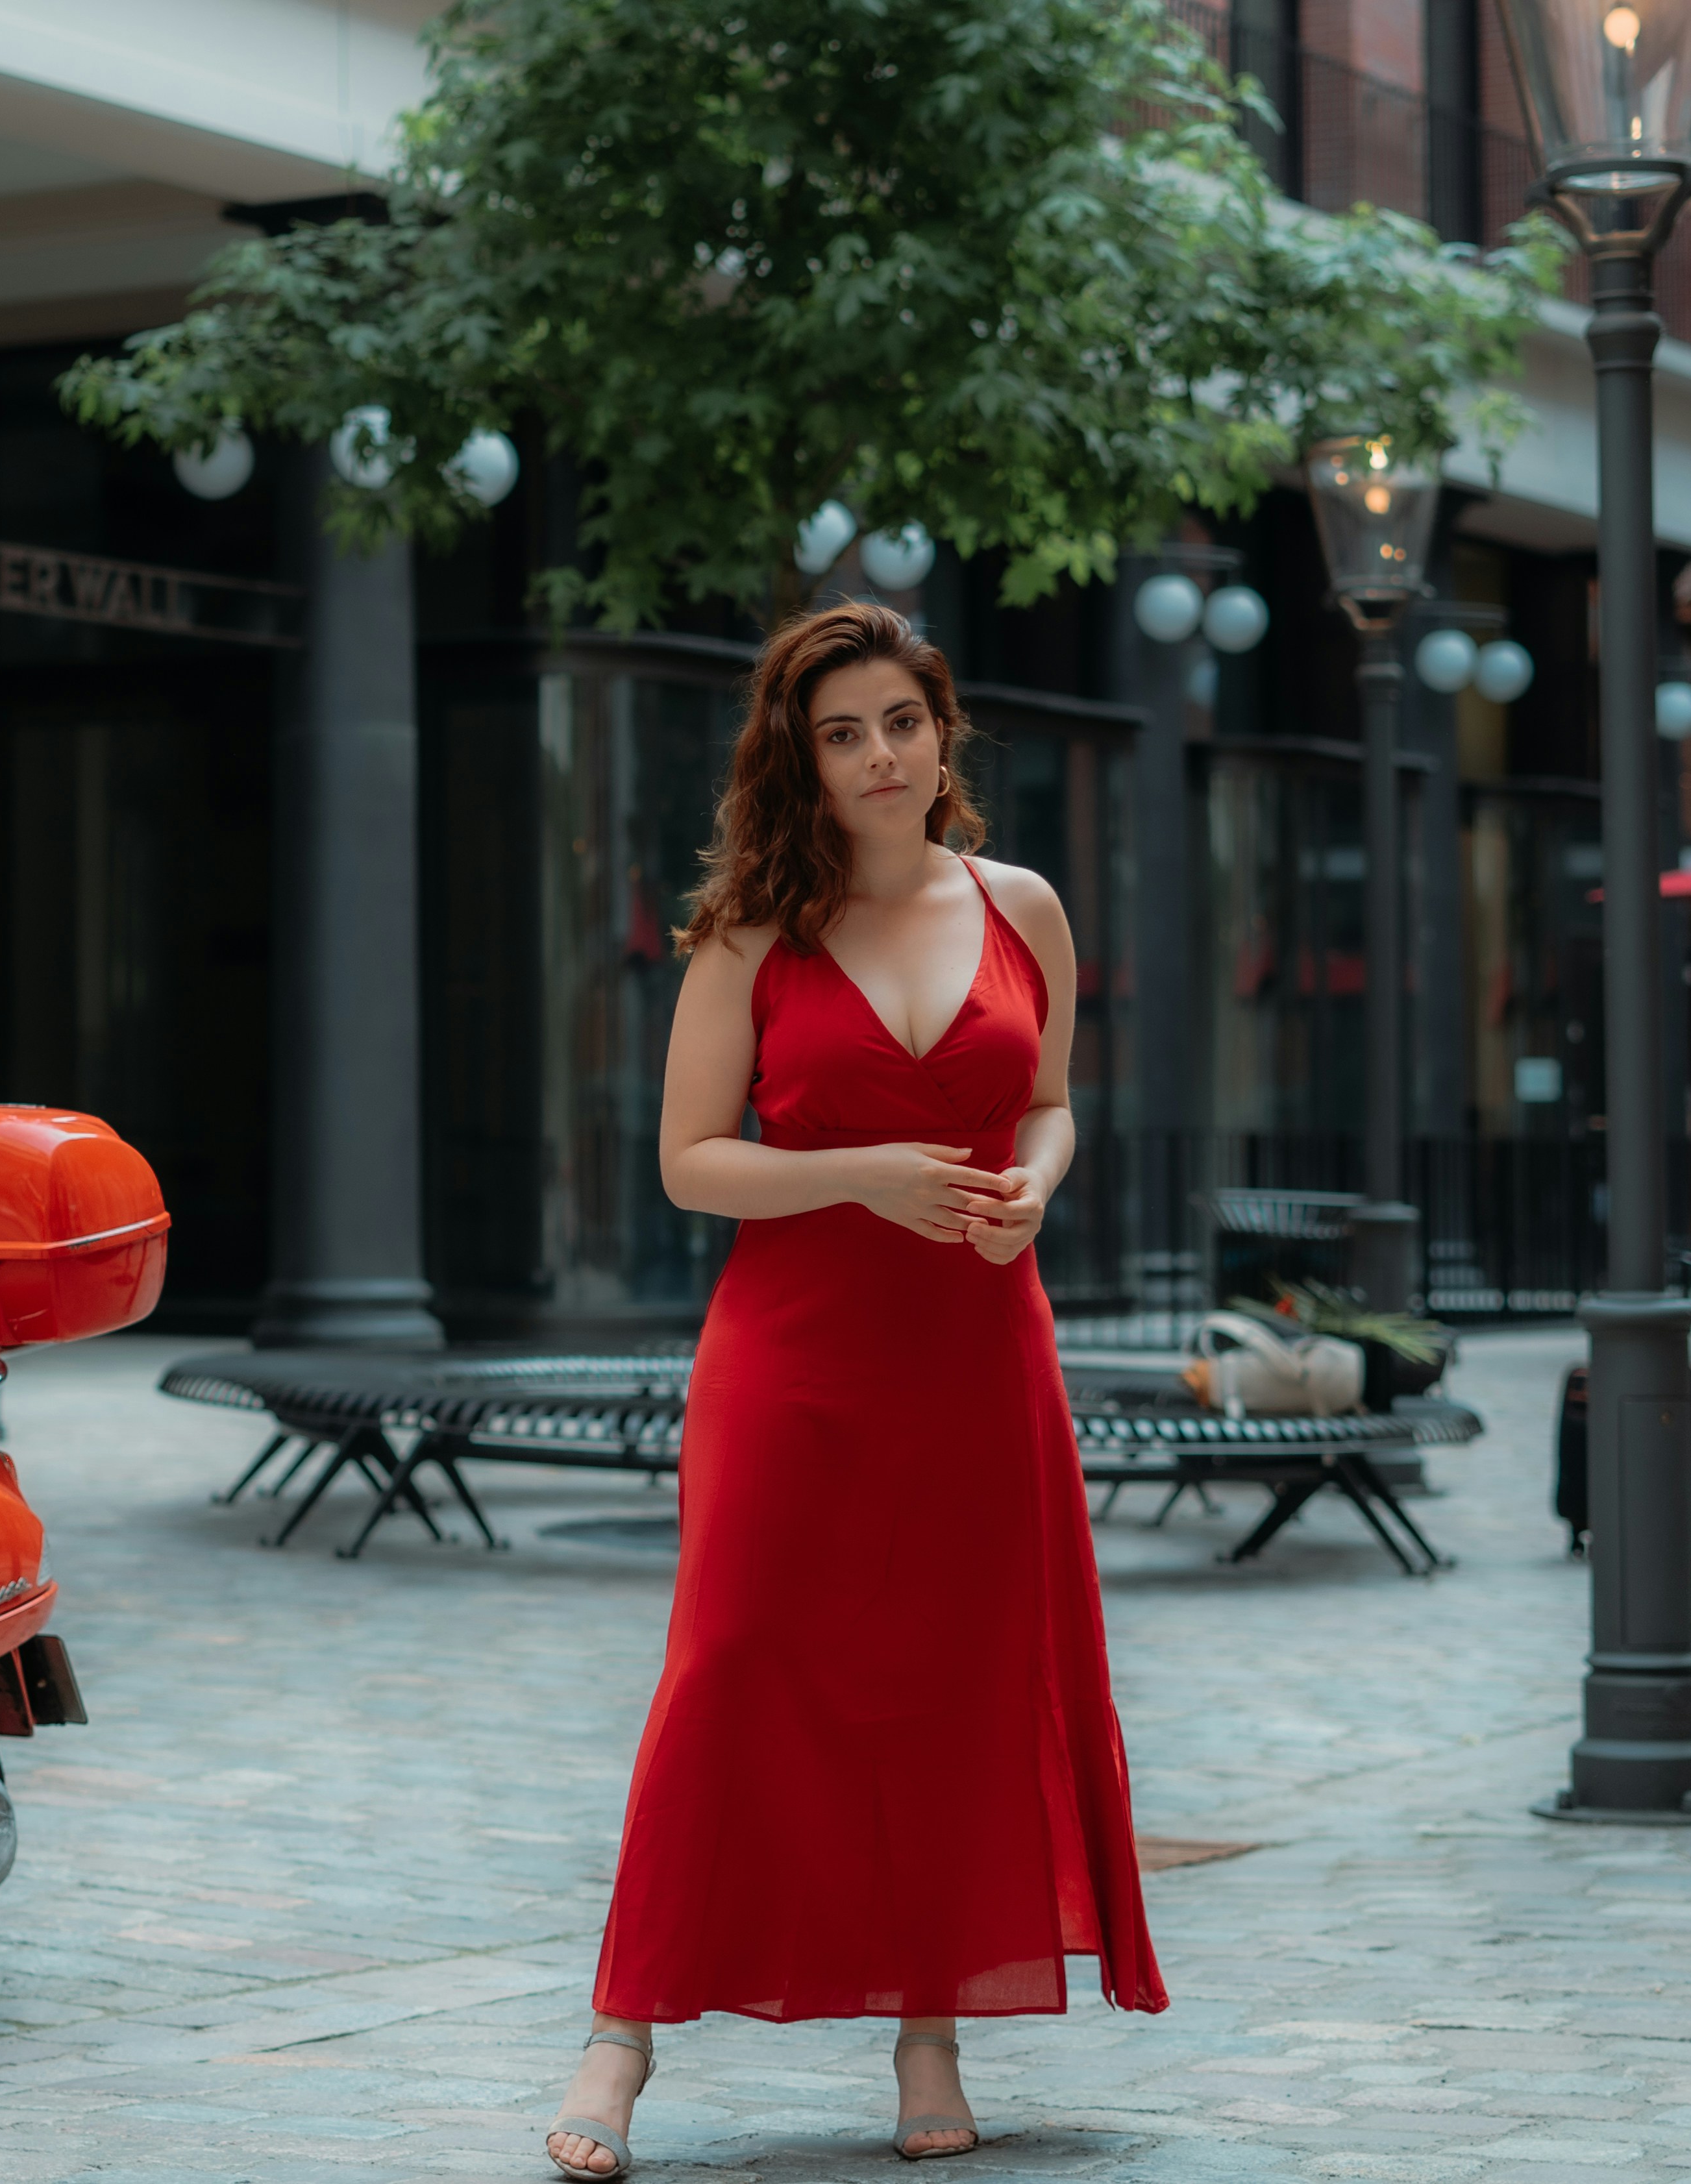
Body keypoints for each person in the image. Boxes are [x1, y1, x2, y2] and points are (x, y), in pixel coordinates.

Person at [542, 604, 1166, 2180]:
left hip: (977, 1348)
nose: (878, 754)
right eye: (841, 732)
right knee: (732, 1660)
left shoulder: (1023, 905)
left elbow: (1049, 1101)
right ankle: (619, 2033)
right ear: (799, 761)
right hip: (793, 1356)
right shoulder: (750, 931)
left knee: (956, 1675)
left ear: (941, 730)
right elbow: (691, 1162)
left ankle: (929, 2028)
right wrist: (860, 1175)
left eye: (900, 719)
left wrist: (1034, 1180)